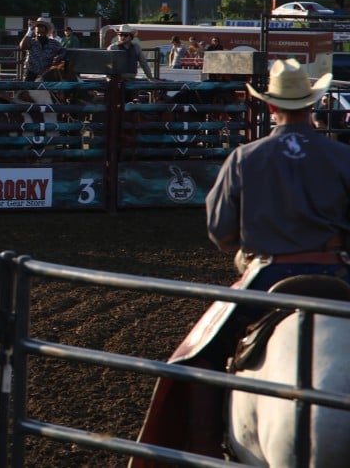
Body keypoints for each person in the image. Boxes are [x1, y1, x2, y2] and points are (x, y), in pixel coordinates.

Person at [134, 59, 350, 460]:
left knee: (200, 353)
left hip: (268, 275)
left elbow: (220, 232)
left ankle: (205, 447)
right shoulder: (342, 157)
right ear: (314, 104)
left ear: (271, 107)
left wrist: (246, 244)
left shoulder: (245, 158)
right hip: (337, 272)